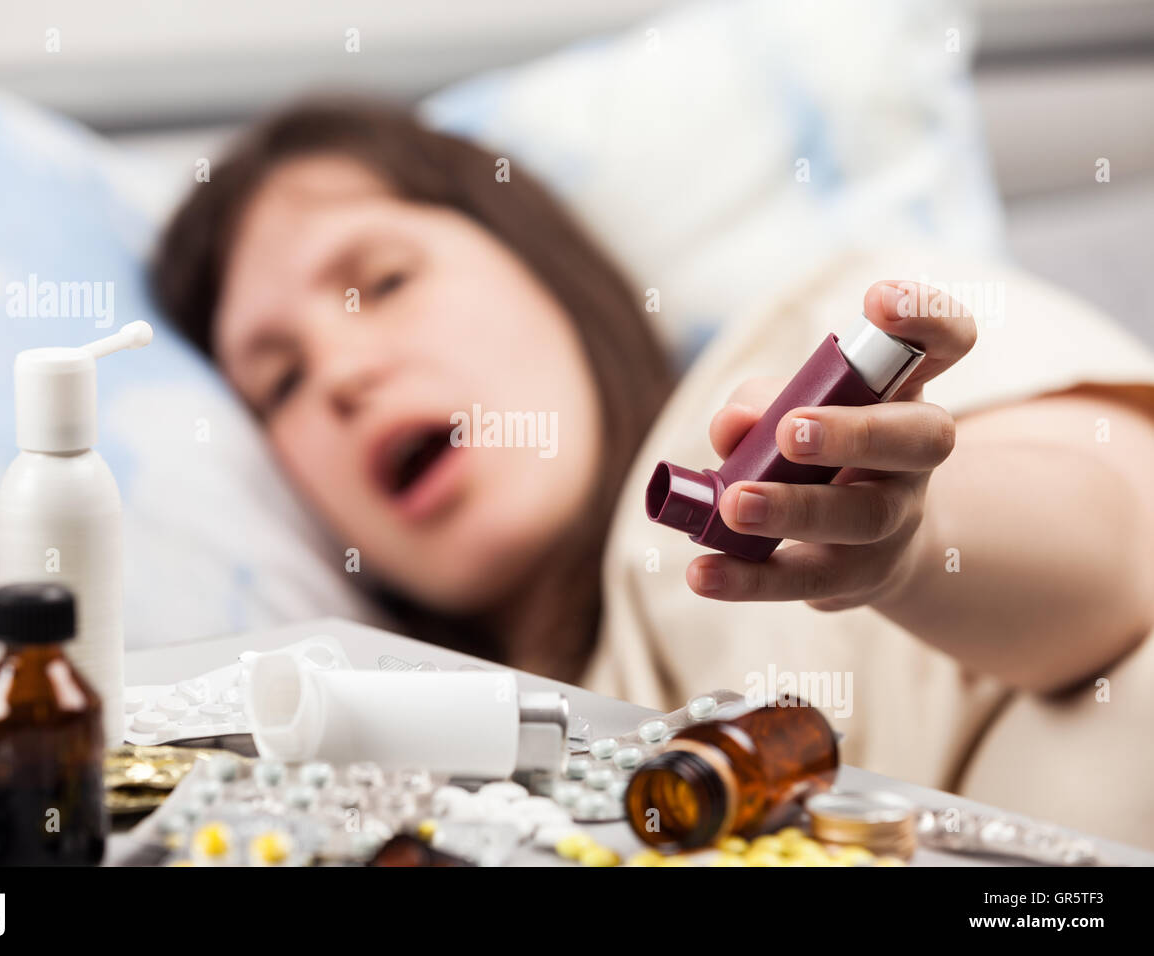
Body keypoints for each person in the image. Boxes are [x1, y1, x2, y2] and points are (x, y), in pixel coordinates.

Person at [153, 102, 1154, 845]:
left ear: (546, 268)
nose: (340, 371)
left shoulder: (792, 347)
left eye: (383, 281)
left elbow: (1121, 530)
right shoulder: (428, 757)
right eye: (277, 381)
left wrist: (910, 546)